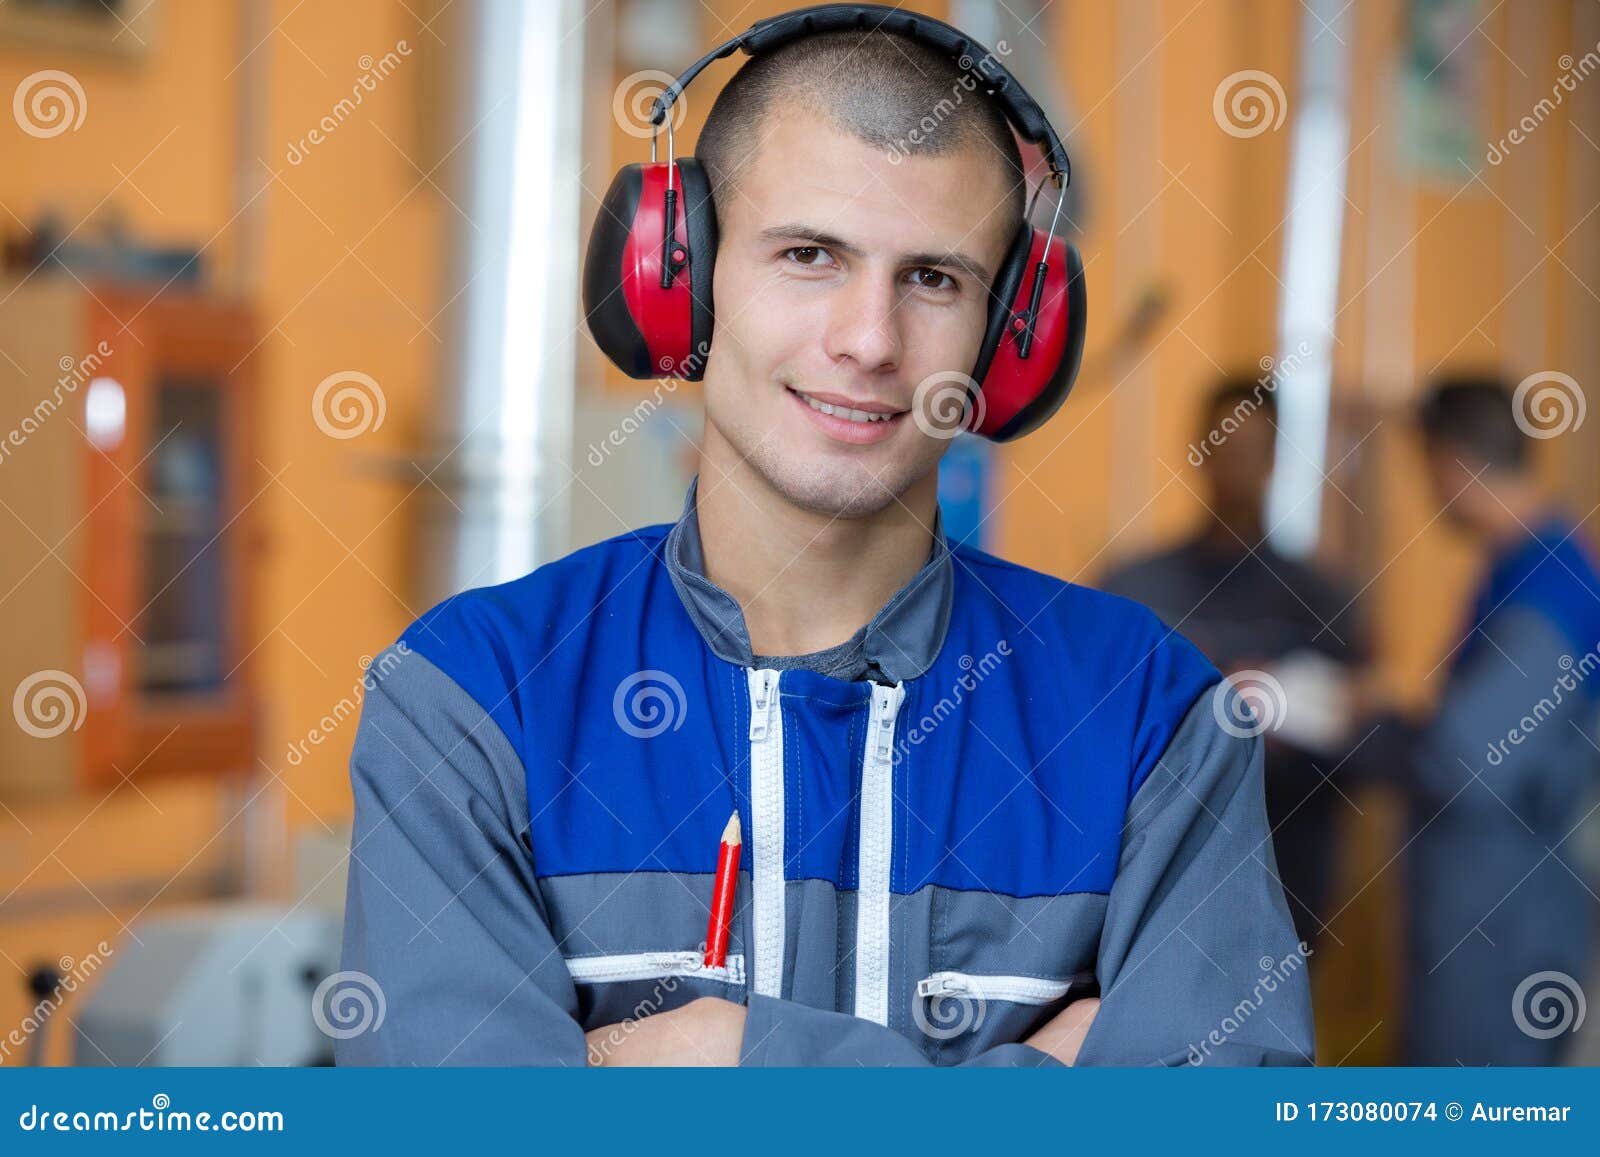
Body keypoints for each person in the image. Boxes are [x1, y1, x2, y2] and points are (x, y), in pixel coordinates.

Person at [336, 7, 1312, 1067]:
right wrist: (1042, 1077)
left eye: (934, 278)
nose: (869, 340)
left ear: (1011, 334)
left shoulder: (1149, 720)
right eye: (809, 255)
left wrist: (719, 1054)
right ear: (679, 277)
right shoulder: (471, 700)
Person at [1360, 375, 1600, 1065]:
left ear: (1451, 463)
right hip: (1493, 918)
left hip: (1498, 930)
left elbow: (1469, 760)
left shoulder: (1547, 589)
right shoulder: (1528, 568)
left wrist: (1358, 734)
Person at [1101, 376, 1366, 948]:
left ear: (1276, 459)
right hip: (1159, 867)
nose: (1235, 467)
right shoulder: (1138, 591)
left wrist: (1283, 719)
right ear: (1199, 449)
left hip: (1285, 868)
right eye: (1224, 446)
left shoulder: (1321, 602)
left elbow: (1355, 734)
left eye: (1253, 450)